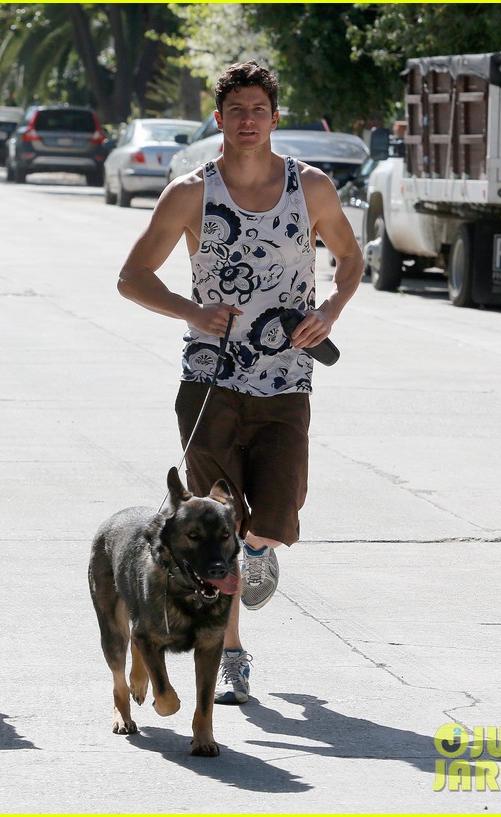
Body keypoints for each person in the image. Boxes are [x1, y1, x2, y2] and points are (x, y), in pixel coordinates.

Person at [116, 62, 363, 704]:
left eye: (259, 109)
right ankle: (230, 652)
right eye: (236, 110)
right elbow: (132, 277)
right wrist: (192, 312)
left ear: (275, 118)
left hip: (286, 380)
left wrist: (330, 312)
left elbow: (350, 259)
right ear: (219, 119)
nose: (248, 120)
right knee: (214, 525)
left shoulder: (311, 189)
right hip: (210, 380)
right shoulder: (189, 193)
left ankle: (259, 549)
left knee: (273, 518)